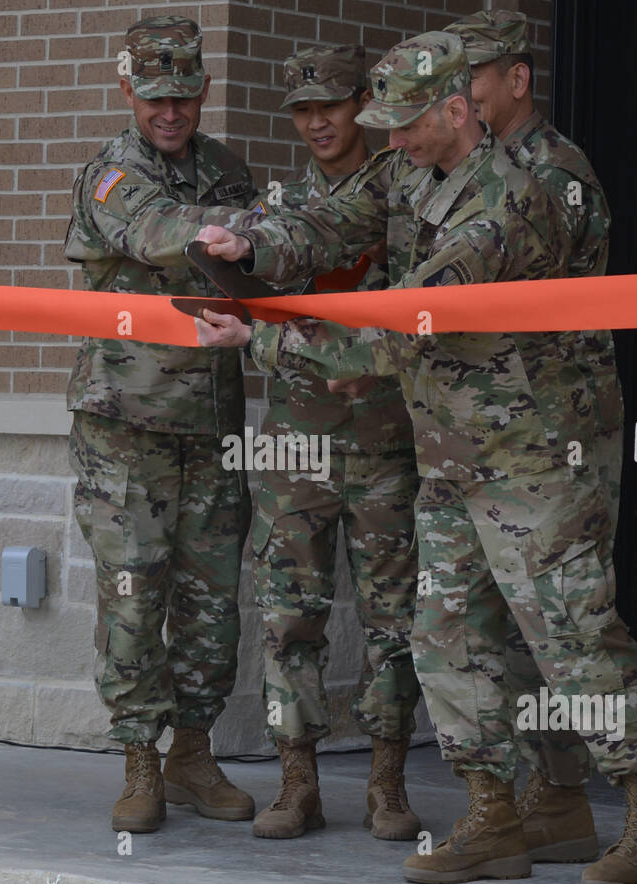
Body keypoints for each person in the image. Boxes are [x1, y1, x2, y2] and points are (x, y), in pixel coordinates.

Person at [192, 31, 637, 884]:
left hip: (533, 458)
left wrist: (259, 336)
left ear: (459, 110)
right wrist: (247, 248)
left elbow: (403, 329)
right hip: (448, 451)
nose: (395, 140)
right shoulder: (416, 173)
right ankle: (492, 816)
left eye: (408, 123)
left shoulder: (509, 205)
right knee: (449, 637)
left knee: (571, 636)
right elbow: (336, 217)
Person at [62, 14, 259, 834]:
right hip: (127, 421)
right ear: (127, 92)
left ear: (203, 90)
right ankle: (140, 757)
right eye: (154, 97)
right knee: (135, 595)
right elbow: (156, 234)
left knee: (212, 600)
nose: (169, 111)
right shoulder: (112, 173)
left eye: (183, 95)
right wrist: (235, 233)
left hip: (211, 420)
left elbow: (259, 262)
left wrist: (250, 231)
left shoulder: (225, 167)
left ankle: (191, 752)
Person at [444, 8, 623, 868]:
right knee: (497, 631)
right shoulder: (466, 170)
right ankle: (546, 803)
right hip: (485, 437)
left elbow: (476, 273)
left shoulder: (552, 174)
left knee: (568, 626)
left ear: (516, 79)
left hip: (556, 434)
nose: (460, 95)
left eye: (472, 77)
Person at [247, 43, 423, 842]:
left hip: (384, 436)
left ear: (364, 104)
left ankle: (386, 783)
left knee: (394, 615)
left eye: (333, 105)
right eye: (304, 110)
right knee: (289, 613)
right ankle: (297, 781)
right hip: (295, 440)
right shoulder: (275, 211)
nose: (319, 122)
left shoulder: (403, 192)